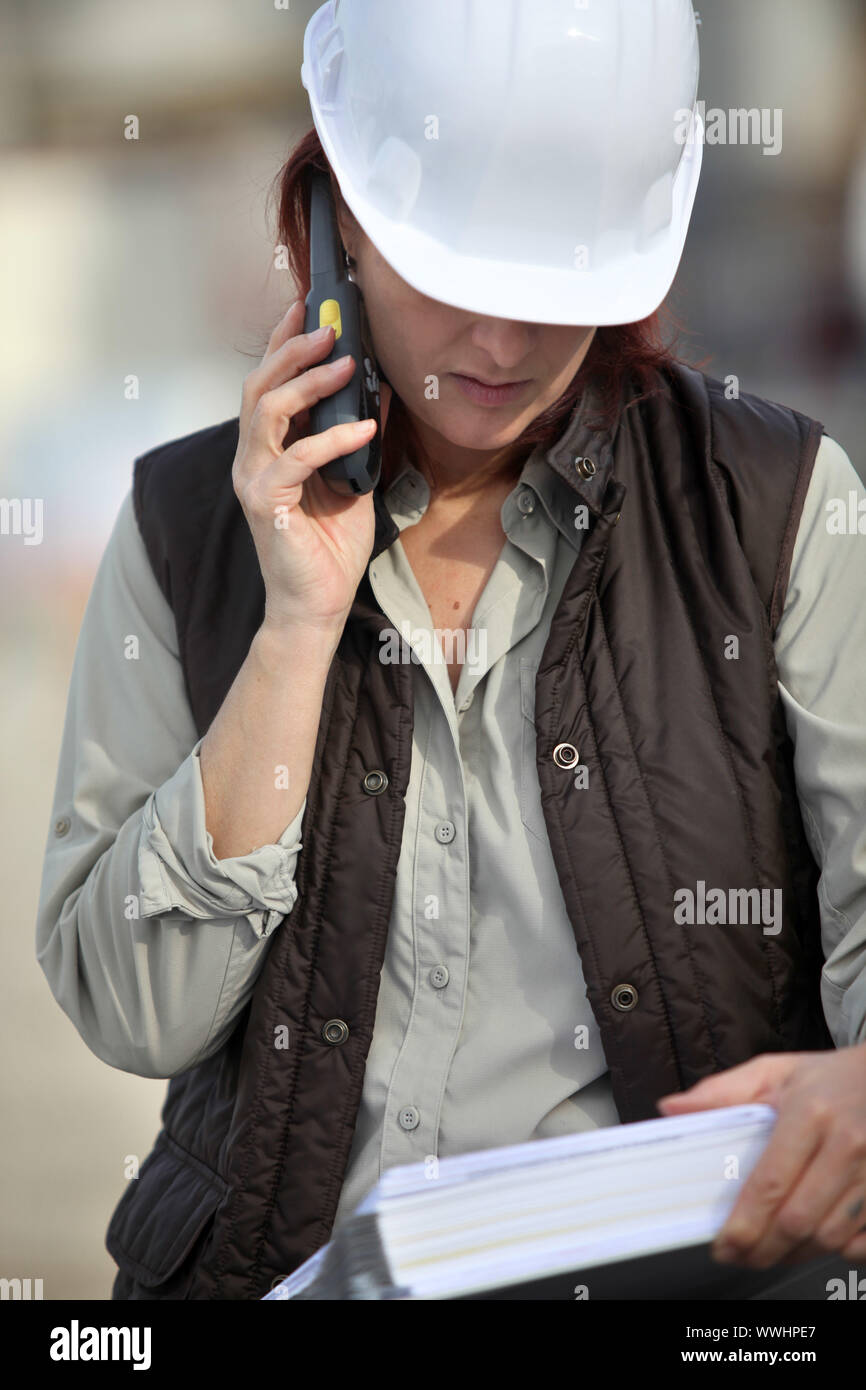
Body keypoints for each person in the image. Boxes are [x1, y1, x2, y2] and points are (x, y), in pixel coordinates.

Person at [35, 0, 866, 1301]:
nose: (498, 345)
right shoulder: (182, 530)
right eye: (454, 280)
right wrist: (297, 625)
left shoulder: (774, 509)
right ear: (329, 221)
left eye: (552, 293)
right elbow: (137, 1012)